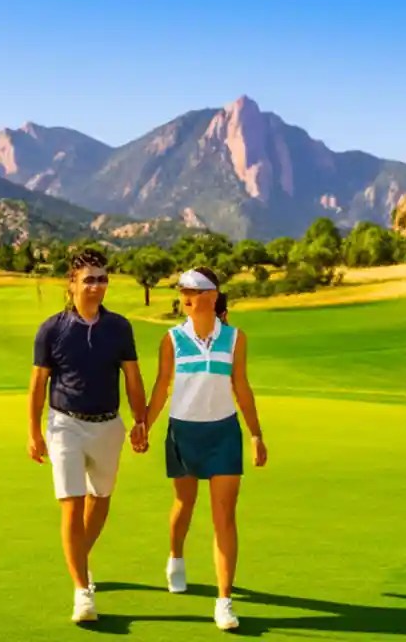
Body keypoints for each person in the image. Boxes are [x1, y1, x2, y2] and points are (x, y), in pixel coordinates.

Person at [28, 248, 149, 623]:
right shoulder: (52, 328)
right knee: (72, 502)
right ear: (72, 283)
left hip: (108, 425)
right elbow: (37, 384)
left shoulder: (119, 327)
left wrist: (140, 421)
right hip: (65, 423)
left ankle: (80, 557)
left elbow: (132, 376)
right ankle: (83, 593)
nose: (96, 286)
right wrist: (34, 431)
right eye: (89, 279)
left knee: (101, 498)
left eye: (102, 278)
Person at [145, 267, 268, 630]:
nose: (185, 295)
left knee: (224, 517)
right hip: (183, 433)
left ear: (213, 296)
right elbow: (161, 387)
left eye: (194, 289)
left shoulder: (234, 339)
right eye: (182, 289)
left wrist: (256, 434)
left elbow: (241, 387)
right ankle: (176, 557)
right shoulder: (171, 339)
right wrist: (143, 426)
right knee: (184, 504)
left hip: (224, 434)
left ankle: (224, 600)